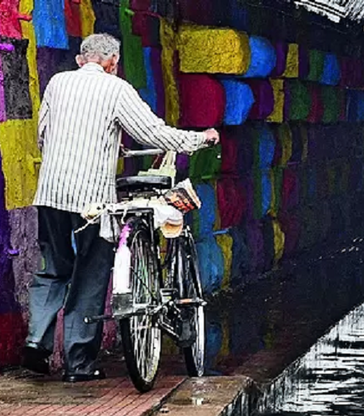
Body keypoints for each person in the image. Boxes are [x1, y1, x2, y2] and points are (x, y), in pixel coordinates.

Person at [23, 33, 219, 383]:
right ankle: (78, 365)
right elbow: (153, 133)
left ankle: (37, 339)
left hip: (50, 193)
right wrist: (199, 139)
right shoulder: (116, 89)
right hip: (92, 202)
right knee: (90, 276)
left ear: (82, 60)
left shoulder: (56, 83)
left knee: (53, 268)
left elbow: (43, 133)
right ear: (112, 63)